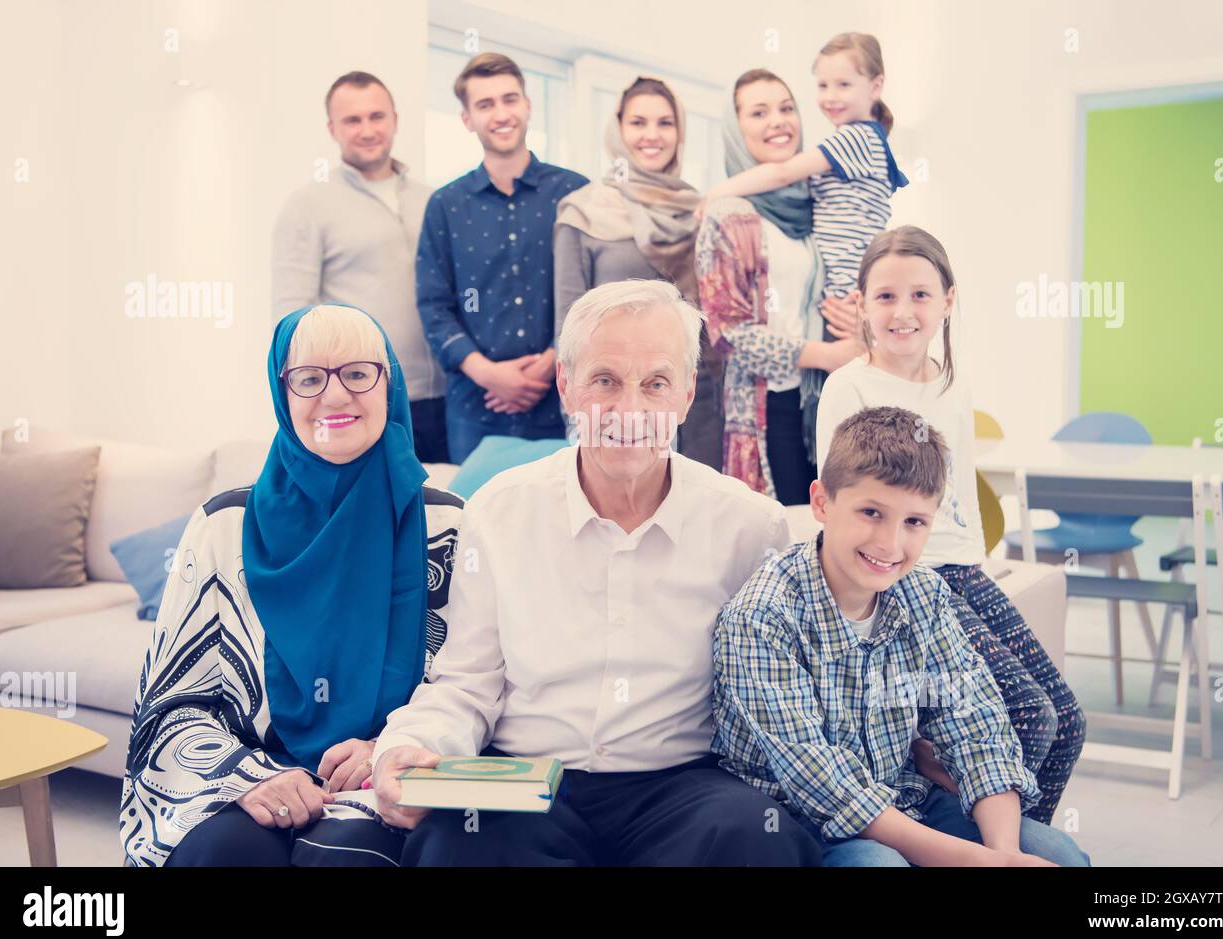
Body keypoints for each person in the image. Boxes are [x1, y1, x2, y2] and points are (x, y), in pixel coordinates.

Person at [370, 280, 821, 867]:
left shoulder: (751, 526)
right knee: (459, 846)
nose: (630, 410)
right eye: (605, 381)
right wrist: (409, 747)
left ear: (686, 395)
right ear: (567, 387)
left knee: (756, 840)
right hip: (527, 782)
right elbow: (466, 683)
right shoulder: (499, 510)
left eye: (655, 384)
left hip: (682, 785)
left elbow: (779, 690)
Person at [120, 304, 462, 866]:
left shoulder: (449, 525)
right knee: (220, 856)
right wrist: (246, 776)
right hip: (247, 771)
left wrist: (390, 748)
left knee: (346, 857)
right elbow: (171, 704)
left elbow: (479, 682)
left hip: (390, 778)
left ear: (389, 383)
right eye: (308, 379)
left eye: (357, 373)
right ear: (283, 395)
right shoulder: (221, 524)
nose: (334, 397)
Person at [713, 406, 1091, 866]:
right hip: (805, 823)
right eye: (871, 512)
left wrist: (1005, 854)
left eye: (914, 522)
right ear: (822, 502)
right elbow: (826, 786)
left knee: (1058, 852)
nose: (891, 544)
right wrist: (984, 863)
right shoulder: (762, 617)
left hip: (904, 797)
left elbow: (976, 725)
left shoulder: (925, 594)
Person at [815, 226, 1086, 824]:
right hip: (905, 578)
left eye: (919, 295)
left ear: (947, 301)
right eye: (885, 296)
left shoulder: (951, 382)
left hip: (962, 568)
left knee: (1065, 720)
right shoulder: (848, 386)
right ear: (860, 304)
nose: (902, 311)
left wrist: (986, 576)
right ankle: (971, 841)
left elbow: (958, 493)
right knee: (1030, 718)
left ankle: (1015, 844)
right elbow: (841, 511)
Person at [695, 69, 862, 505]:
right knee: (786, 537)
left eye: (787, 108)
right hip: (769, 407)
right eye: (759, 112)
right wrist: (825, 355)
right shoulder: (727, 214)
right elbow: (727, 333)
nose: (778, 121)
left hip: (829, 401)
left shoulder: (820, 202)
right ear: (735, 129)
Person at [416, 52, 589, 464]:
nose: (501, 114)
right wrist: (489, 374)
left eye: (510, 99)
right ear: (466, 119)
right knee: (475, 525)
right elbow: (434, 306)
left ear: (528, 106)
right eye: (485, 104)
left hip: (564, 400)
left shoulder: (576, 193)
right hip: (477, 408)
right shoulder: (446, 205)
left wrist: (552, 361)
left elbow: (593, 294)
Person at [272, 71, 449, 463]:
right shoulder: (308, 205)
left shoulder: (435, 200)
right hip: (366, 401)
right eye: (353, 120)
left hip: (449, 400)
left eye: (377, 116)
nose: (367, 129)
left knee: (448, 516)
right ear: (333, 129)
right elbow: (293, 319)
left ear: (396, 120)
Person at [554, 76, 721, 468]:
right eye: (638, 122)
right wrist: (579, 419)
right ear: (618, 129)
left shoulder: (699, 209)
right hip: (613, 400)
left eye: (665, 123)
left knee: (691, 515)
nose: (652, 135)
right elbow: (567, 327)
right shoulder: (584, 210)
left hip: (696, 398)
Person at [701, 33, 908, 323]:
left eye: (844, 85)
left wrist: (716, 190)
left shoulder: (854, 138)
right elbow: (728, 330)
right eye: (823, 85)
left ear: (876, 87)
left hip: (849, 288)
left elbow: (782, 173)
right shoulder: (727, 216)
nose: (831, 96)